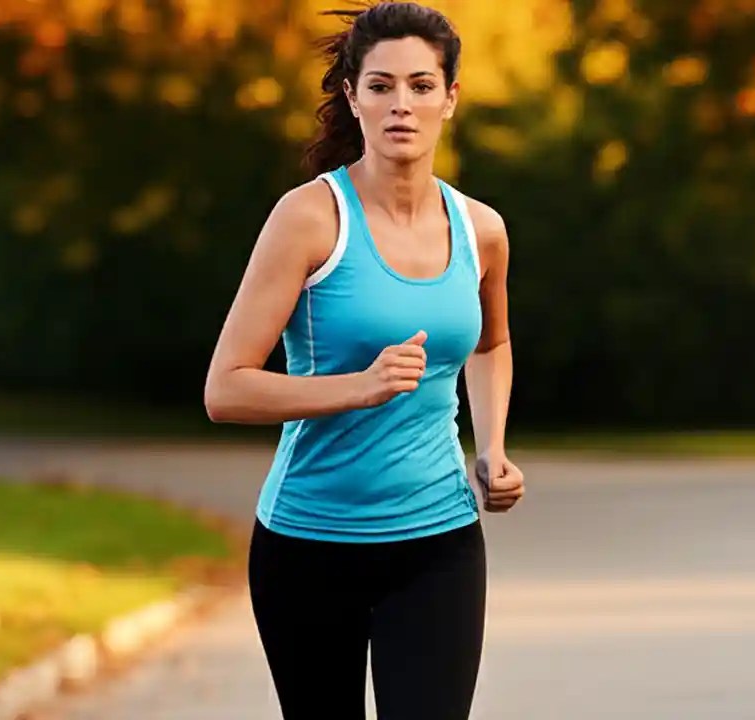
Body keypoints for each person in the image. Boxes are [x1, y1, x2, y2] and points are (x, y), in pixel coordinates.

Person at [203, 2, 523, 718]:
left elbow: (491, 343)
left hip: (438, 540)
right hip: (308, 545)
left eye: (419, 85)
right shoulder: (310, 219)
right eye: (380, 86)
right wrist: (358, 387)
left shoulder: (482, 231)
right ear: (352, 97)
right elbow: (225, 389)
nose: (400, 104)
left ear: (450, 98)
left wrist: (492, 449)